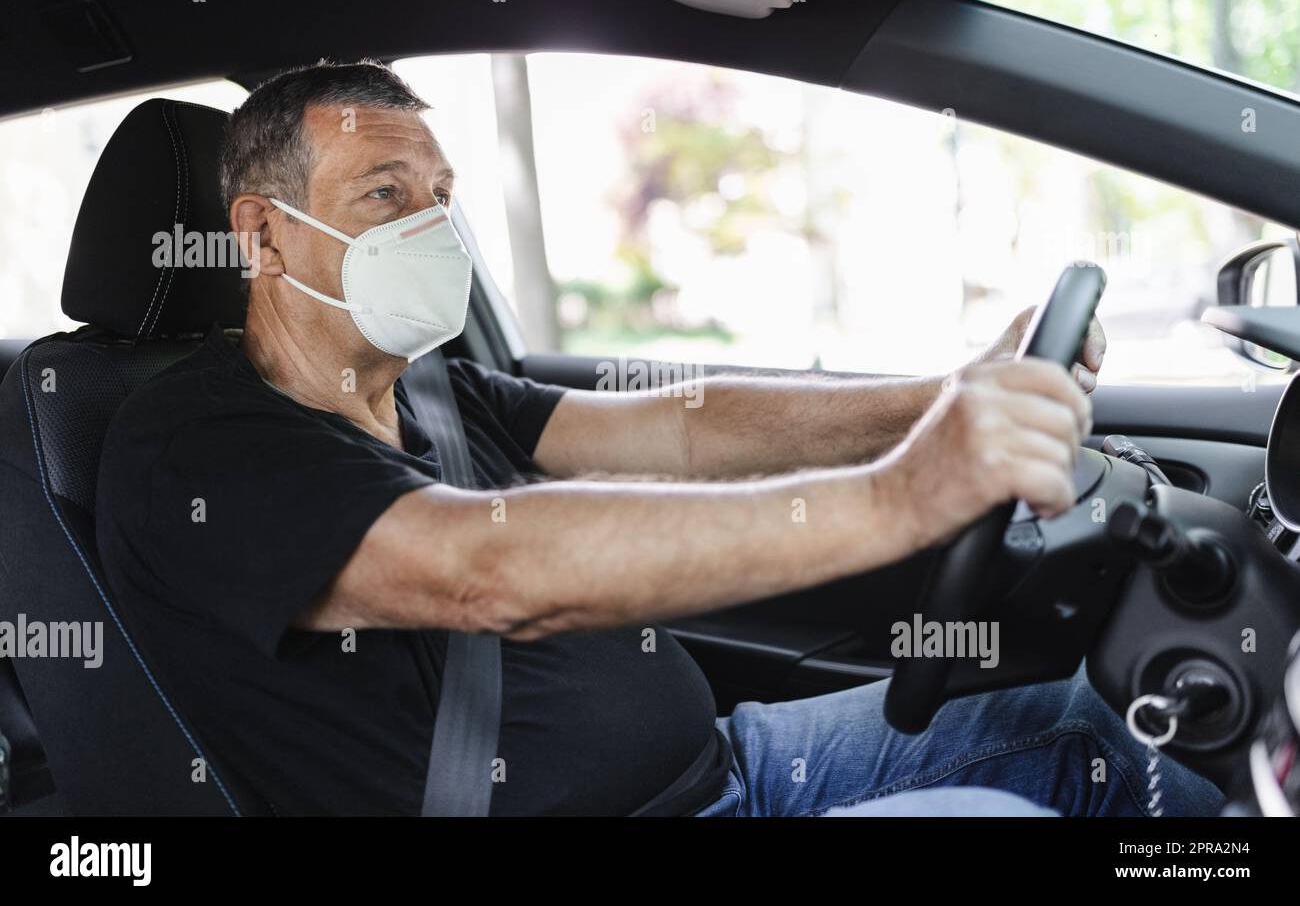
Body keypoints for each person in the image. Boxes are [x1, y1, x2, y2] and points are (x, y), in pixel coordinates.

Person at [95, 61, 1222, 817]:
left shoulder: (433, 390)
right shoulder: (195, 447)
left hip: (728, 766)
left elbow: (684, 429)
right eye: (386, 194)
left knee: (1087, 715)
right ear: (264, 237)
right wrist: (900, 494)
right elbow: (484, 567)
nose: (432, 225)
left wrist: (949, 391)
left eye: (440, 194)